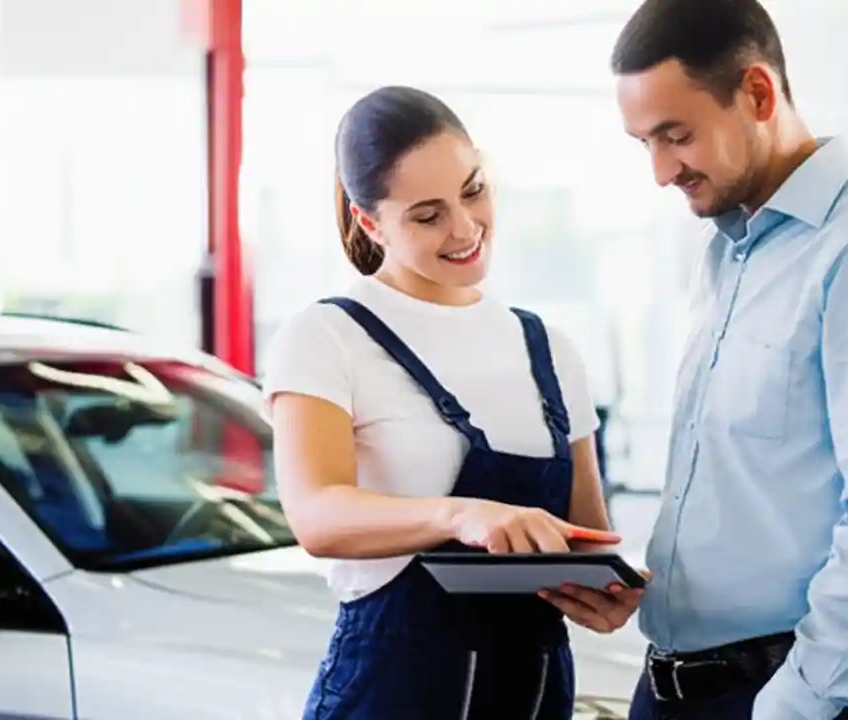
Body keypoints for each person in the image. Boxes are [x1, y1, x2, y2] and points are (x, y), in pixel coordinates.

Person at [541, 1, 848, 718]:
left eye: (676, 137)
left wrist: (795, 705)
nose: (659, 171)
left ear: (759, 94)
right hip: (673, 687)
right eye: (643, 142)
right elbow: (758, 492)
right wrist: (662, 587)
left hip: (783, 699)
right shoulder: (727, 254)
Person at [262, 85, 637, 719]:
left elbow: (586, 531)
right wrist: (461, 516)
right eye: (428, 215)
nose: (465, 229)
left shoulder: (548, 347)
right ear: (369, 220)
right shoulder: (327, 336)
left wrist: (608, 589)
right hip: (391, 692)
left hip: (536, 691)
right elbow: (316, 517)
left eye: (473, 190)